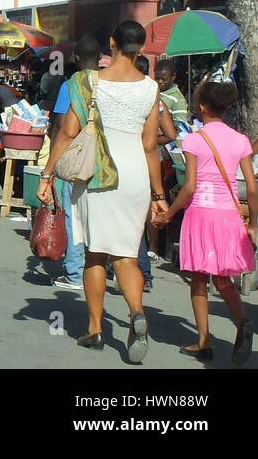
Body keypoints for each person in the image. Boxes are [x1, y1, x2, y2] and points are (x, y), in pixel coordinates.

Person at [38, 20, 167, 363]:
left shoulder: (86, 81)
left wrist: (47, 174)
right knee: (125, 252)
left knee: (96, 252)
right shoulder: (150, 88)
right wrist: (158, 194)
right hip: (136, 174)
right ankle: (136, 312)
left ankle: (95, 330)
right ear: (139, 48)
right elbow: (151, 146)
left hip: (98, 174)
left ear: (112, 43)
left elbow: (67, 133)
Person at [155, 80, 256, 364]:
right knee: (223, 279)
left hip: (200, 214)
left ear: (201, 107)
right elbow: (252, 187)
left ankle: (203, 341)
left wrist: (169, 214)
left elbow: (188, 187)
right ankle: (242, 322)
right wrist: (254, 224)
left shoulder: (194, 140)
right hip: (229, 217)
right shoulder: (240, 140)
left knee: (199, 279)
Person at [38, 36, 101, 292]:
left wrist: (49, 169)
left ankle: (75, 273)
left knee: (74, 215)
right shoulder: (110, 83)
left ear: (75, 59)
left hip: (76, 159)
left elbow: (63, 129)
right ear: (100, 59)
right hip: (105, 160)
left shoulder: (71, 85)